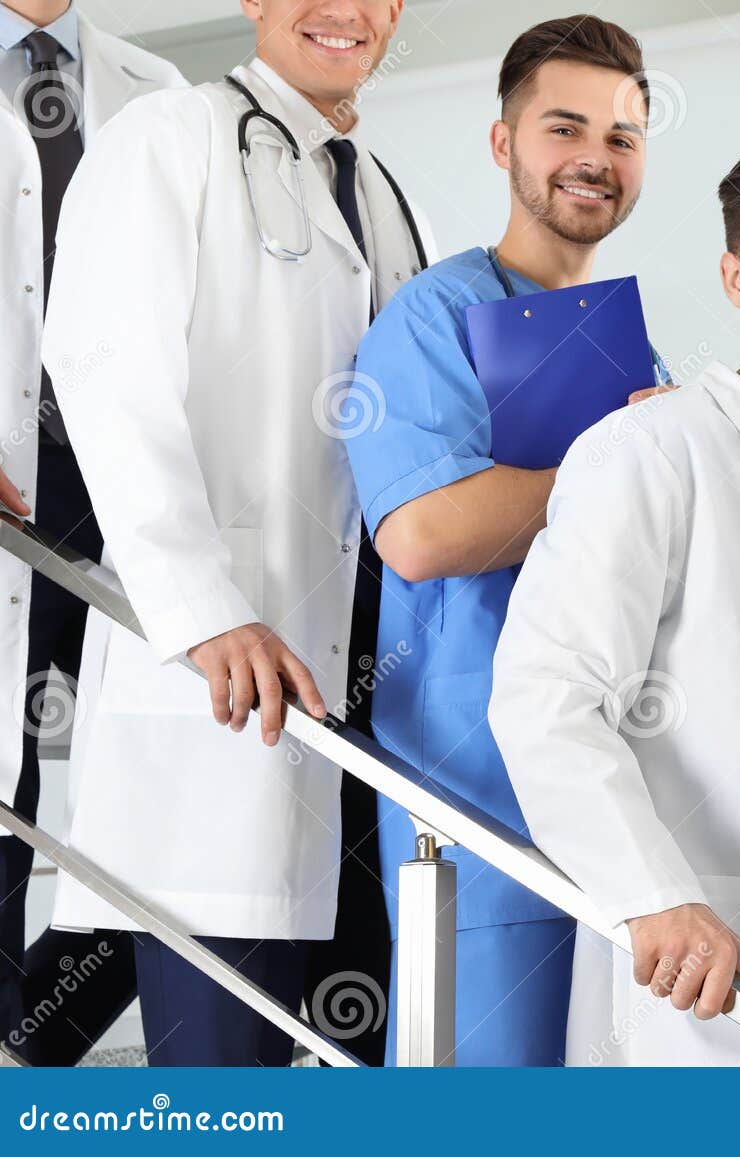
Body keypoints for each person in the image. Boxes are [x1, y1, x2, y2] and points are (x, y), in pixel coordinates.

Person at [40, 0, 432, 1066]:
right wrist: (203, 608)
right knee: (225, 1076)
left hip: (365, 704)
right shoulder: (170, 138)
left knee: (369, 1051)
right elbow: (108, 376)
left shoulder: (386, 193)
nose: (344, 10)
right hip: (227, 691)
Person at [488, 138, 740, 1065]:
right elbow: (545, 698)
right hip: (696, 994)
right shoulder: (647, 450)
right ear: (734, 276)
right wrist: (654, 895)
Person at [342, 14, 669, 1066]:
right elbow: (424, 534)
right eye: (563, 127)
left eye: (622, 137)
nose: (594, 158)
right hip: (475, 803)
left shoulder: (628, 338)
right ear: (504, 144)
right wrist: (618, 460)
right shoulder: (432, 317)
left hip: (605, 801)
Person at [0, 0, 184, 1064]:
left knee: (164, 766)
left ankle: (41, 1024)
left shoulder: (157, 90)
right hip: (11, 483)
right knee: (7, 773)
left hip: (128, 482)